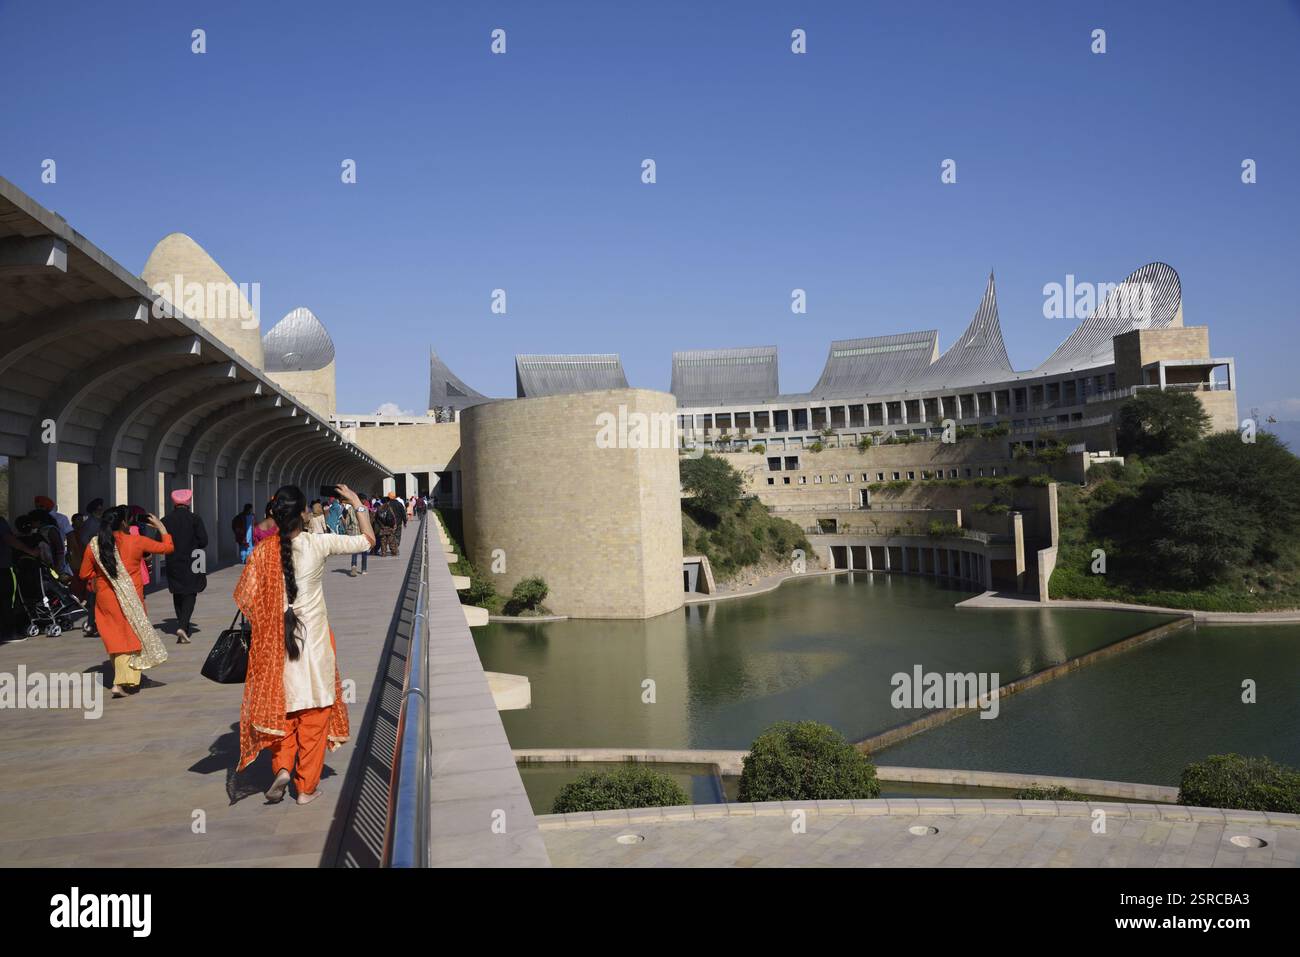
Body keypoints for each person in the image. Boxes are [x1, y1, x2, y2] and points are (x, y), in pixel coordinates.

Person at [234, 484, 374, 805]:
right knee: (315, 712)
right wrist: (356, 504)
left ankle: (282, 766)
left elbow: (247, 600)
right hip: (314, 644)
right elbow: (368, 541)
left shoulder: (261, 554)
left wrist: (272, 618)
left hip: (276, 646)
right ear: (302, 514)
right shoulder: (317, 543)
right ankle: (306, 788)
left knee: (284, 709)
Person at [79, 506, 174, 698]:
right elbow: (167, 548)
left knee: (115, 637)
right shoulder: (136, 541)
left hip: (105, 598)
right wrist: (161, 527)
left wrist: (100, 578)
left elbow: (84, 573)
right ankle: (121, 682)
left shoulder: (95, 544)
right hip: (132, 596)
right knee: (130, 638)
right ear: (124, 523)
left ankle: (126, 679)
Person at [162, 489, 208, 644]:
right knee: (191, 593)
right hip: (194, 560)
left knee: (178, 593)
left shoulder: (166, 520)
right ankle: (183, 626)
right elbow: (203, 541)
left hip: (173, 561)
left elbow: (160, 541)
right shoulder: (195, 519)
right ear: (189, 502)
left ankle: (184, 627)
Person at [0, 515, 40, 643]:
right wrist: (30, 551)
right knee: (8, 601)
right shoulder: (1, 522)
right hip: (3, 568)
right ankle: (8, 633)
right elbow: (9, 539)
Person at [80, 499, 104, 637]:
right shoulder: (90, 523)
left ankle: (93, 623)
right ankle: (91, 623)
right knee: (93, 595)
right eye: (98, 509)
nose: (100, 511)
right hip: (94, 562)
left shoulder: (99, 522)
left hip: (99, 560)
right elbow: (84, 540)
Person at [344, 503, 368, 577]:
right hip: (364, 533)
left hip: (354, 533)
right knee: (364, 552)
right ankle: (364, 569)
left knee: (354, 551)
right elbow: (368, 521)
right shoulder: (365, 508)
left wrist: (348, 530)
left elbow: (347, 522)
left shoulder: (350, 509)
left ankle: (354, 567)